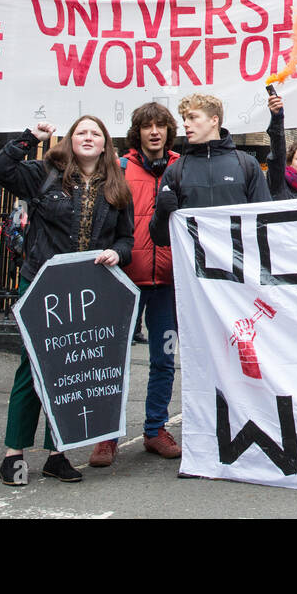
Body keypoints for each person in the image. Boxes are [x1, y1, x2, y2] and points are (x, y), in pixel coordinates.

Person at [0, 116, 134, 486]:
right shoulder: (43, 173)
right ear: (70, 140)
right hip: (41, 286)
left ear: (105, 144)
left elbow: (126, 239)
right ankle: (14, 454)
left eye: (95, 134)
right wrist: (28, 138)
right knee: (32, 367)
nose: (88, 138)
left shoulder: (117, 187)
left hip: (89, 293)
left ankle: (58, 454)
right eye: (81, 132)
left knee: (71, 373)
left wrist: (117, 253)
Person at [89, 103, 182, 468]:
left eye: (161, 125)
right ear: (138, 132)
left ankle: (155, 429)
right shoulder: (121, 169)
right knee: (113, 360)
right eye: (148, 126)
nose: (154, 131)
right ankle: (106, 436)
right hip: (123, 280)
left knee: (163, 359)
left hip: (169, 283)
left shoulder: (181, 167)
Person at [149, 93, 272, 247]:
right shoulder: (175, 171)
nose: (186, 124)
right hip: (193, 269)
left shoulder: (247, 165)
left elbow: (266, 223)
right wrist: (162, 213)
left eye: (193, 117)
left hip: (239, 268)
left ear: (214, 120)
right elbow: (160, 240)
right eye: (184, 119)